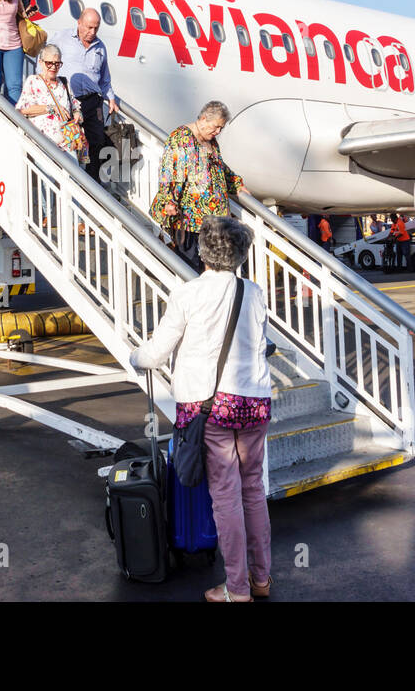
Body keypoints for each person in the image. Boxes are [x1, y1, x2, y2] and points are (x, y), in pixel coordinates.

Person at [129, 216, 272, 603]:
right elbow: (263, 341)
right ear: (241, 254)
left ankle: (237, 588)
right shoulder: (254, 292)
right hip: (254, 402)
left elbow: (156, 351)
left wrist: (135, 357)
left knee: (225, 497)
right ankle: (261, 579)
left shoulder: (188, 294)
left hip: (210, 408)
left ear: (203, 252)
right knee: (253, 491)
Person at [151, 101, 249, 272]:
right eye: (216, 126)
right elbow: (171, 171)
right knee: (190, 269)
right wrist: (169, 200)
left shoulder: (210, 141)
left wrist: (236, 184)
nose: (218, 131)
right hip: (189, 220)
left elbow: (219, 168)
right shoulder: (182, 137)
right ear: (204, 118)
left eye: (221, 128)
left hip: (212, 220)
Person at [53, 8, 117, 182]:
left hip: (92, 100)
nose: (92, 32)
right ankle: (68, 181)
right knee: (69, 141)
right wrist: (45, 84)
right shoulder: (62, 38)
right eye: (89, 27)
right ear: (79, 23)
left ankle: (92, 184)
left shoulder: (100, 47)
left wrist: (111, 98)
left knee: (96, 141)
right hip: (68, 99)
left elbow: (104, 78)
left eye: (96, 28)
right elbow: (45, 59)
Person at [15, 44, 86, 164]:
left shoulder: (64, 83)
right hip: (44, 144)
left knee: (73, 179)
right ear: (41, 62)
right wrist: (50, 108)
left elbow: (75, 106)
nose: (54, 67)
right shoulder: (33, 81)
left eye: (57, 63)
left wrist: (78, 113)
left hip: (67, 144)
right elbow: (22, 110)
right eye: (49, 63)